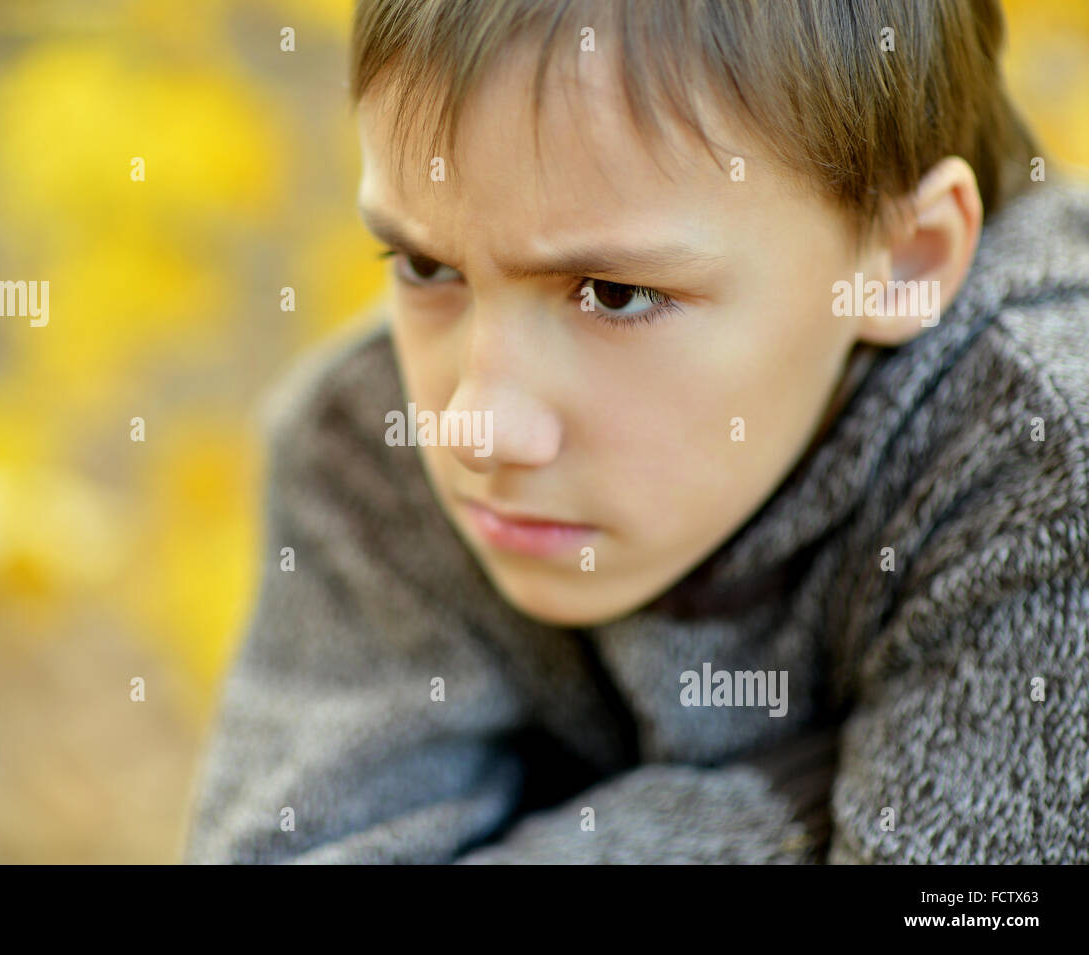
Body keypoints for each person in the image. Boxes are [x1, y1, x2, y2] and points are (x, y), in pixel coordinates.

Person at [185, 0, 1089, 863]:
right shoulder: (363, 445)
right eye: (426, 266)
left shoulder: (1047, 456)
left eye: (614, 293)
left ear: (904, 260)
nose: (475, 427)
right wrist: (781, 811)